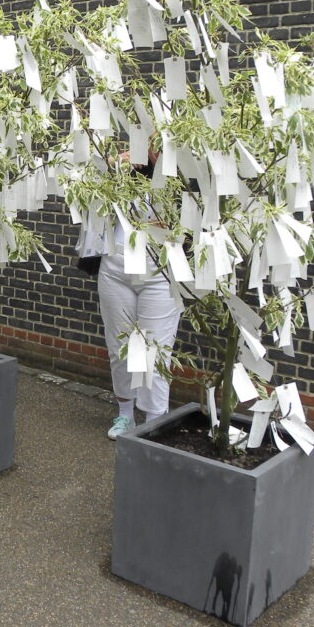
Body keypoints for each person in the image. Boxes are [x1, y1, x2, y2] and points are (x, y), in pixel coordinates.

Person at [82, 149, 182, 439]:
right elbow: (90, 202)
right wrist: (111, 167)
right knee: (119, 346)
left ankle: (154, 420)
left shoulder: (181, 174)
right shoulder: (124, 166)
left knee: (155, 350)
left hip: (159, 274)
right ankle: (125, 415)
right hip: (115, 269)